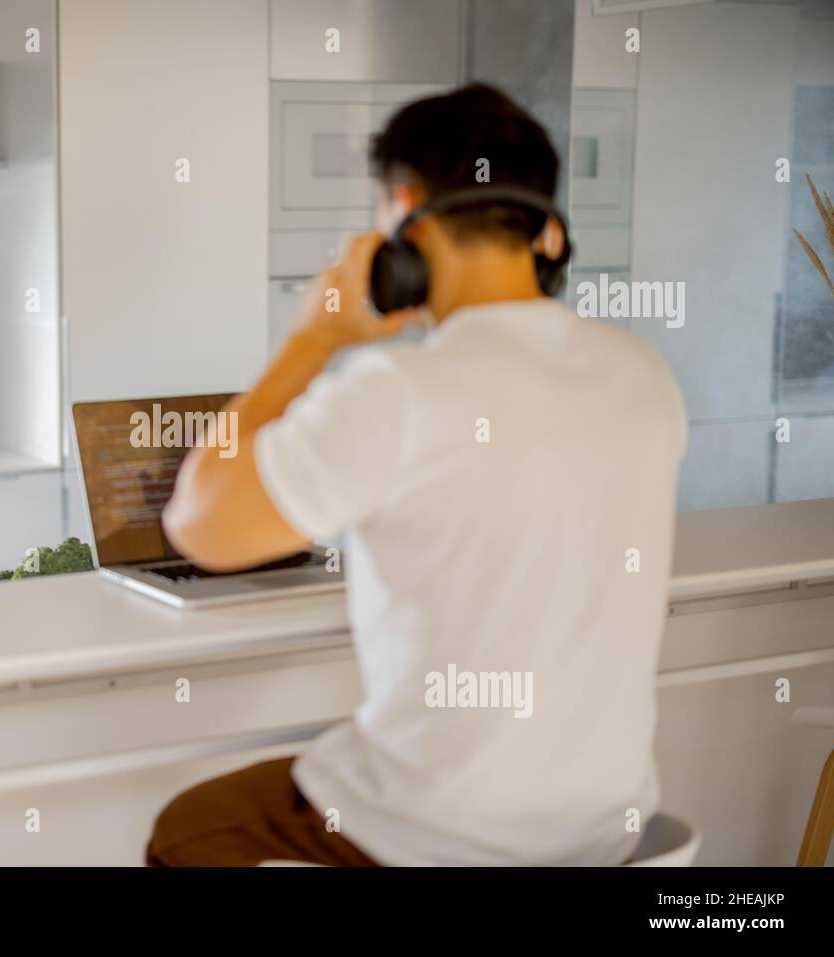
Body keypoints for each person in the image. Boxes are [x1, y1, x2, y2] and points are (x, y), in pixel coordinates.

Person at [149, 83, 688, 866]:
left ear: (402, 208)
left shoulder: (397, 392)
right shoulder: (643, 373)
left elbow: (199, 526)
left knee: (186, 832)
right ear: (544, 228)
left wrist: (312, 340)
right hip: (607, 829)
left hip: (441, 837)